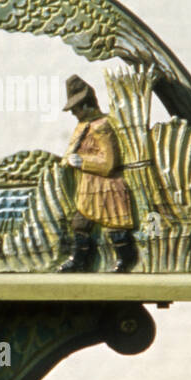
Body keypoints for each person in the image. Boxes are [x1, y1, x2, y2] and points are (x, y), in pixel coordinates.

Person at [58, 75, 137, 273]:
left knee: (115, 225)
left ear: (85, 106)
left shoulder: (102, 126)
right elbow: (72, 150)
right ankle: (80, 260)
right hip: (89, 187)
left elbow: (109, 162)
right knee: (80, 223)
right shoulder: (83, 126)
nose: (74, 113)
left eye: (75, 108)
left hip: (107, 186)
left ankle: (126, 260)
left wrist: (83, 162)